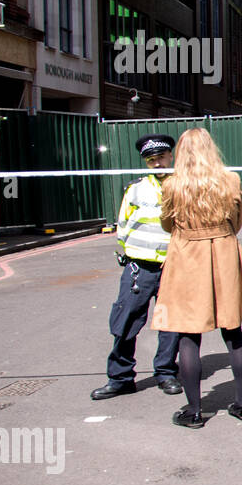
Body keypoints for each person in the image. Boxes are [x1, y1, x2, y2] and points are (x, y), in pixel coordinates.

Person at [152, 128, 242, 428]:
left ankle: (195, 411)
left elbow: (166, 225)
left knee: (188, 335)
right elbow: (237, 222)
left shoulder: (172, 185)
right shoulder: (231, 179)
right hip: (224, 254)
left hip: (188, 257)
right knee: (233, 331)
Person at [92, 134, 183, 400]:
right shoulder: (135, 189)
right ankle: (120, 378)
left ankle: (166, 373)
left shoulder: (183, 186)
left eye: (161, 158)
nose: (157, 164)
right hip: (139, 267)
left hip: (173, 265)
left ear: (171, 157)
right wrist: (135, 253)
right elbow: (123, 226)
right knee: (126, 320)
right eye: (151, 160)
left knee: (171, 323)